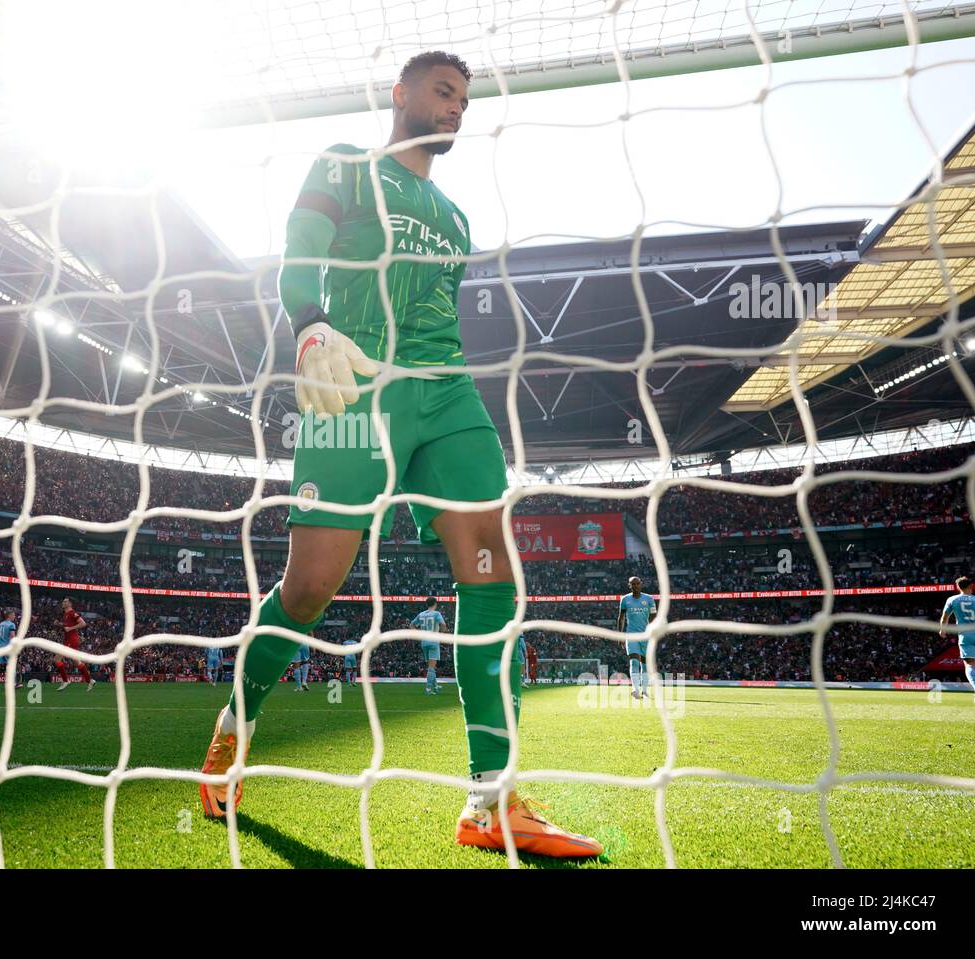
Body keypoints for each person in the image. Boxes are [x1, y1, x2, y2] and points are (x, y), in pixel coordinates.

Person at [196, 50, 601, 859]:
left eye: (464, 100)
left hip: (444, 396)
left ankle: (493, 799)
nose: (455, 108)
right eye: (444, 92)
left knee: (492, 579)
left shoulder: (455, 218)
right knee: (310, 589)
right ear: (402, 93)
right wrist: (310, 322)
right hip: (353, 386)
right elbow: (299, 245)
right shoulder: (344, 165)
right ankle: (233, 731)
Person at [941, 575, 975, 704]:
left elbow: (945, 618)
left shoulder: (952, 599)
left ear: (958, 587)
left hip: (965, 634)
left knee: (969, 664)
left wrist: (942, 630)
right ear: (971, 586)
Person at [616, 577, 657, 700]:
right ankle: (635, 689)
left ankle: (644, 691)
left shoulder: (649, 599)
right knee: (634, 661)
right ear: (629, 585)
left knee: (645, 664)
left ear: (641, 584)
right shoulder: (625, 599)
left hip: (646, 636)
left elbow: (653, 616)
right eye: (632, 584)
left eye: (637, 584)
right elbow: (621, 618)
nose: (635, 586)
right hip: (631, 635)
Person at [54, 598, 95, 692]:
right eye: (63, 601)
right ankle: (90, 680)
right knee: (77, 662)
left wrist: (71, 628)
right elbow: (66, 627)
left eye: (65, 601)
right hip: (69, 639)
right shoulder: (65, 614)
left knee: (57, 659)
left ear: (70, 604)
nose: (63, 603)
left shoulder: (72, 613)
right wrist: (59, 624)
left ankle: (65, 680)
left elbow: (83, 623)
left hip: (72, 639)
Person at [411, 598, 447, 695]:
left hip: (424, 642)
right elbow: (443, 625)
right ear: (435, 604)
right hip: (433, 641)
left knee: (431, 666)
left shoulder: (421, 614)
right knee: (431, 668)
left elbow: (412, 625)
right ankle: (428, 689)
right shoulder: (436, 614)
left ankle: (436, 687)